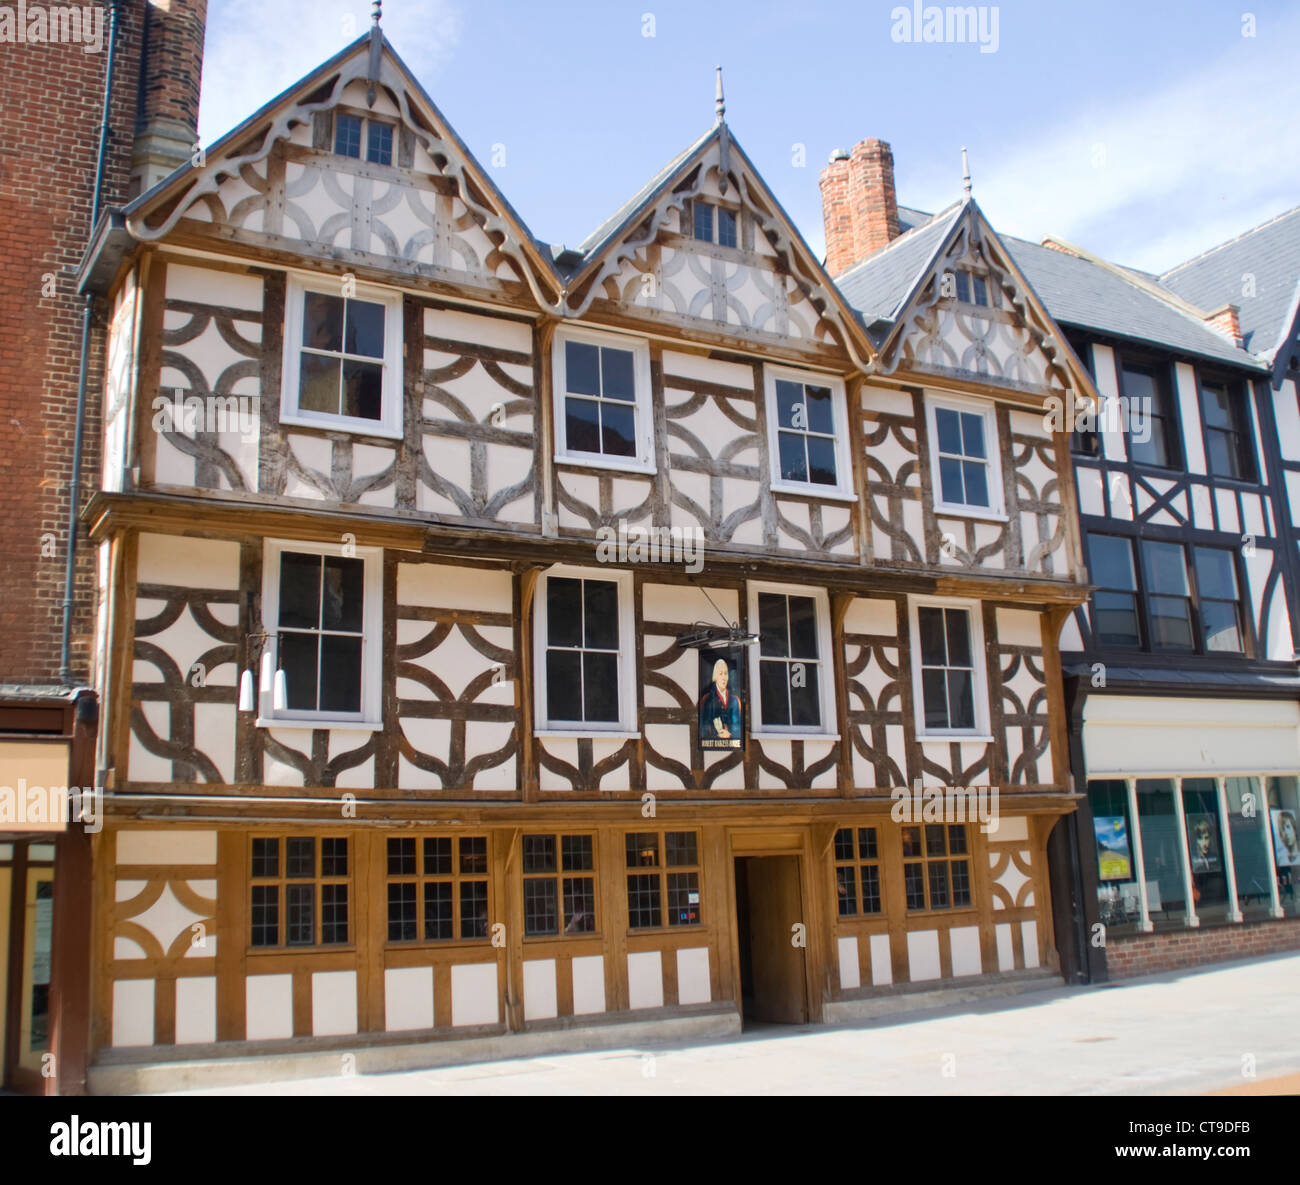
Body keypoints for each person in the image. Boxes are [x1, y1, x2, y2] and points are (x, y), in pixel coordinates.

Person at [698, 657, 743, 749]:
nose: (723, 678)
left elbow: (738, 726)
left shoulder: (735, 700)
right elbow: (704, 727)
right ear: (715, 676)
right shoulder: (707, 699)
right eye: (720, 674)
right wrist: (717, 734)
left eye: (725, 674)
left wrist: (729, 733)